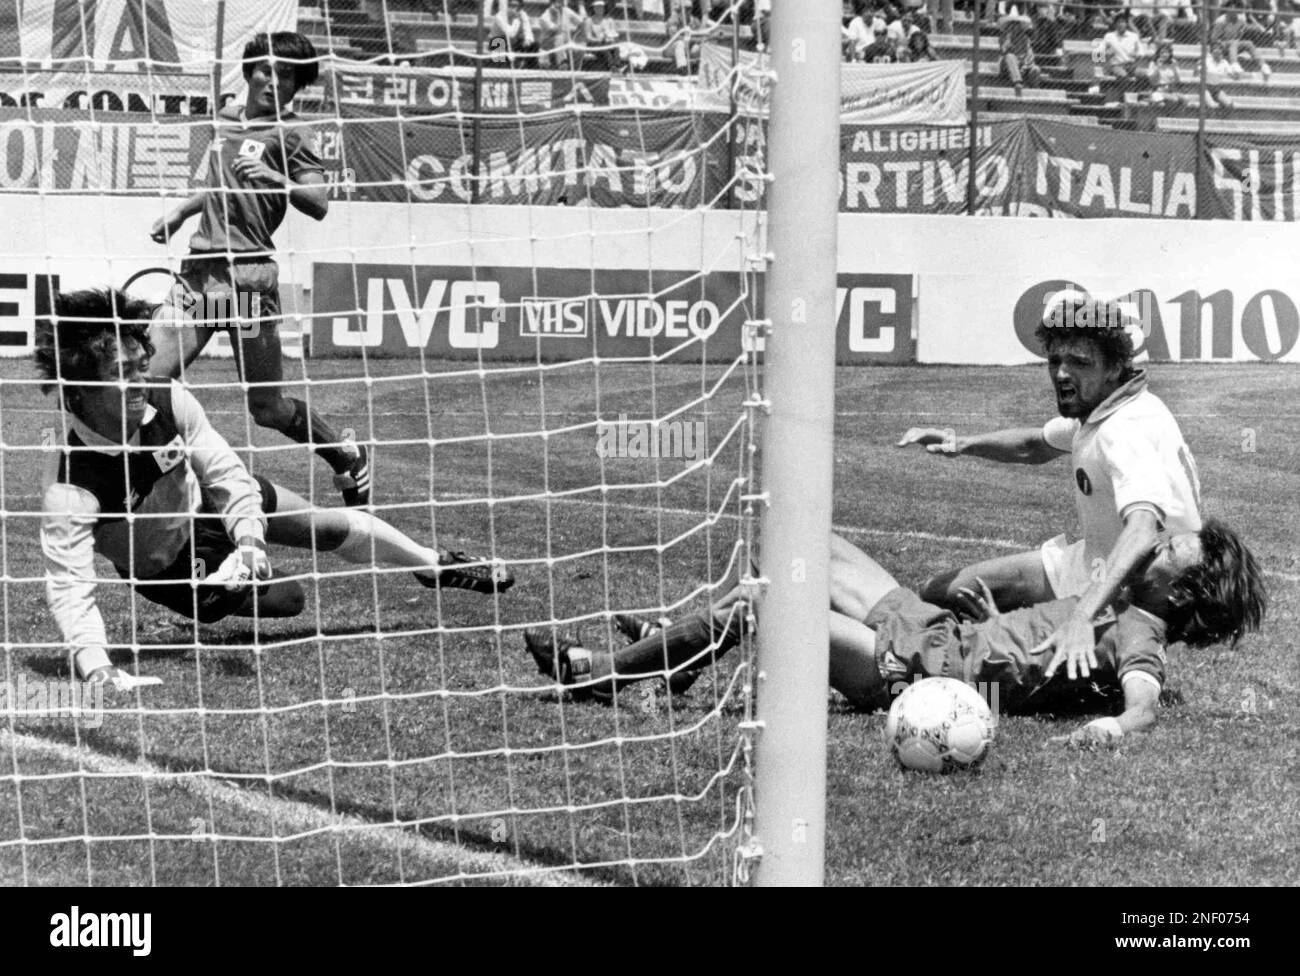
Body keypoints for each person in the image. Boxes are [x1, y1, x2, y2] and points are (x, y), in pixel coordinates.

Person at [36, 290, 514, 690]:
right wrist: (97, 668)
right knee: (291, 599)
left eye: (141, 365)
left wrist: (248, 541)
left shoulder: (167, 398)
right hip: (172, 567)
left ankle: (432, 565)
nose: (140, 381)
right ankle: (233, 582)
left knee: (328, 528)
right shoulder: (70, 486)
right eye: (122, 374)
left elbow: (225, 473)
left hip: (208, 504)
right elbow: (70, 585)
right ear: (77, 385)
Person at [525, 524, 1265, 749]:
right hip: (933, 629)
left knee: (763, 605)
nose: (1158, 540)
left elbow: (1143, 699)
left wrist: (1109, 728)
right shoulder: (1122, 598)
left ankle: (600, 674)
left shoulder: (1140, 629)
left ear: (1183, 588)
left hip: (910, 674)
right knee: (787, 534)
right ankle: (681, 656)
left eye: (1170, 547)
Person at [896, 297, 1203, 669]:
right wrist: (962, 443)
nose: (1061, 373)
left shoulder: (1125, 429)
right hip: (1091, 562)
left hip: (1131, 591)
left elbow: (1142, 530)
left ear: (1115, 367)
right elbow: (1035, 444)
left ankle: (922, 664)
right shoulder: (1108, 407)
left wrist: (1081, 616)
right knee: (944, 592)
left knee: (1004, 648)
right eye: (1055, 361)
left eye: (1079, 362)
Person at [147, 33, 371, 509]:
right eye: (267, 69)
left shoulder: (293, 134)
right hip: (201, 274)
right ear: (250, 71)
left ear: (298, 83)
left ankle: (346, 455)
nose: (274, 80)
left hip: (247, 281)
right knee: (147, 379)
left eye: (288, 74)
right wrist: (183, 212)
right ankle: (167, 481)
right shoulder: (225, 119)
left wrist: (277, 179)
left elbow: (319, 203)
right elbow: (219, 187)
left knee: (266, 409)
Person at [999, 7, 1042, 95]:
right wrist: (1008, 38)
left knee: (1036, 69)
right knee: (1010, 56)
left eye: (1017, 24)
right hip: (1007, 67)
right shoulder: (1004, 37)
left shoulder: (1025, 39)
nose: (1015, 26)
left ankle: (1035, 91)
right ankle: (1017, 83)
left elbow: (1029, 56)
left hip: (1023, 67)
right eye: (1012, 24)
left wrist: (1025, 66)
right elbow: (1004, 52)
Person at [1101, 12, 1147, 87]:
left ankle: (1143, 94)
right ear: (1115, 24)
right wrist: (1107, 53)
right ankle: (1125, 96)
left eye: (1123, 22)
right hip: (1117, 66)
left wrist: (1137, 55)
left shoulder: (1133, 36)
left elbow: (1141, 51)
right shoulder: (1109, 36)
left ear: (1126, 24)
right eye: (1118, 22)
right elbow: (1101, 50)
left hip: (1131, 66)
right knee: (1123, 76)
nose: (1120, 24)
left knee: (1147, 73)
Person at [1146, 39, 1185, 106]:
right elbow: (1152, 81)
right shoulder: (1153, 64)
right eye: (1162, 52)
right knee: (1161, 102)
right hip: (1158, 91)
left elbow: (1178, 80)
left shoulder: (1173, 63)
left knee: (1185, 99)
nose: (1164, 55)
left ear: (1170, 54)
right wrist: (1158, 68)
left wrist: (1175, 69)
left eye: (1167, 52)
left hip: (1171, 91)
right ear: (1158, 54)